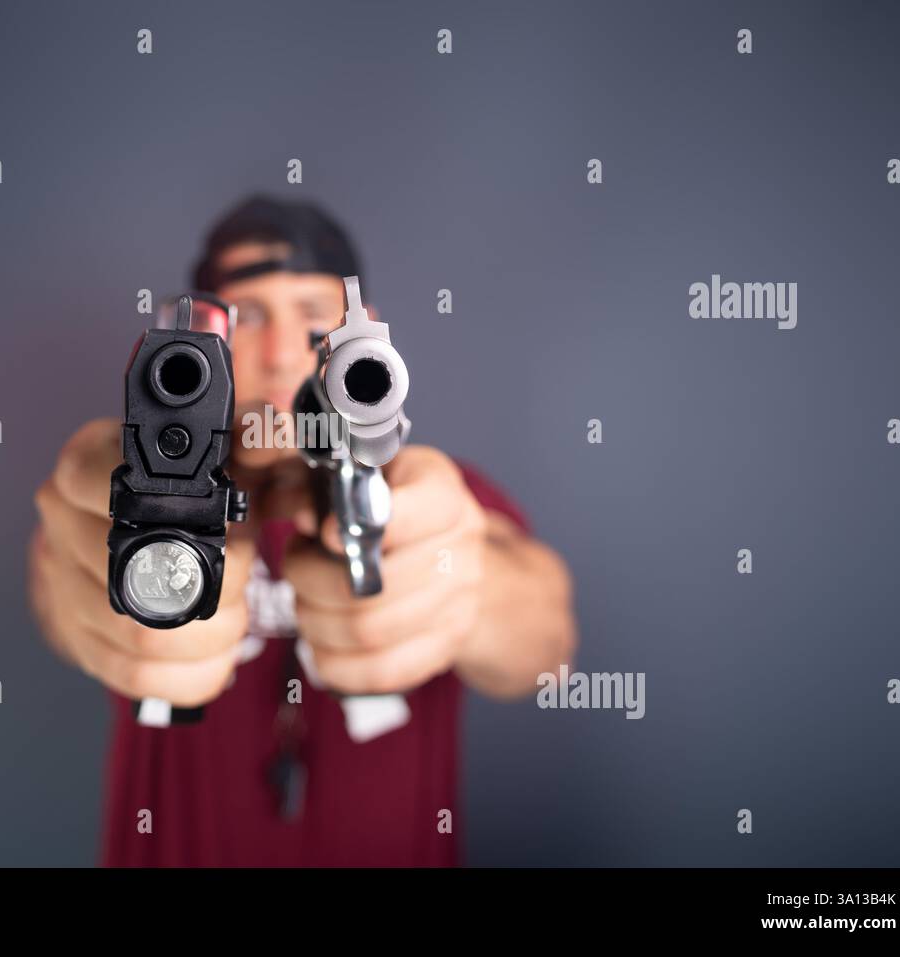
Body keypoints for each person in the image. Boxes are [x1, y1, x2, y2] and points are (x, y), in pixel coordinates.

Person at [28, 195, 578, 866]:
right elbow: (58, 580)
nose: (284, 352)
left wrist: (466, 585)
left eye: (315, 320)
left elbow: (547, 646)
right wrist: (107, 563)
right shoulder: (133, 491)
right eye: (249, 315)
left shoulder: (443, 498)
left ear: (366, 338)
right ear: (206, 342)